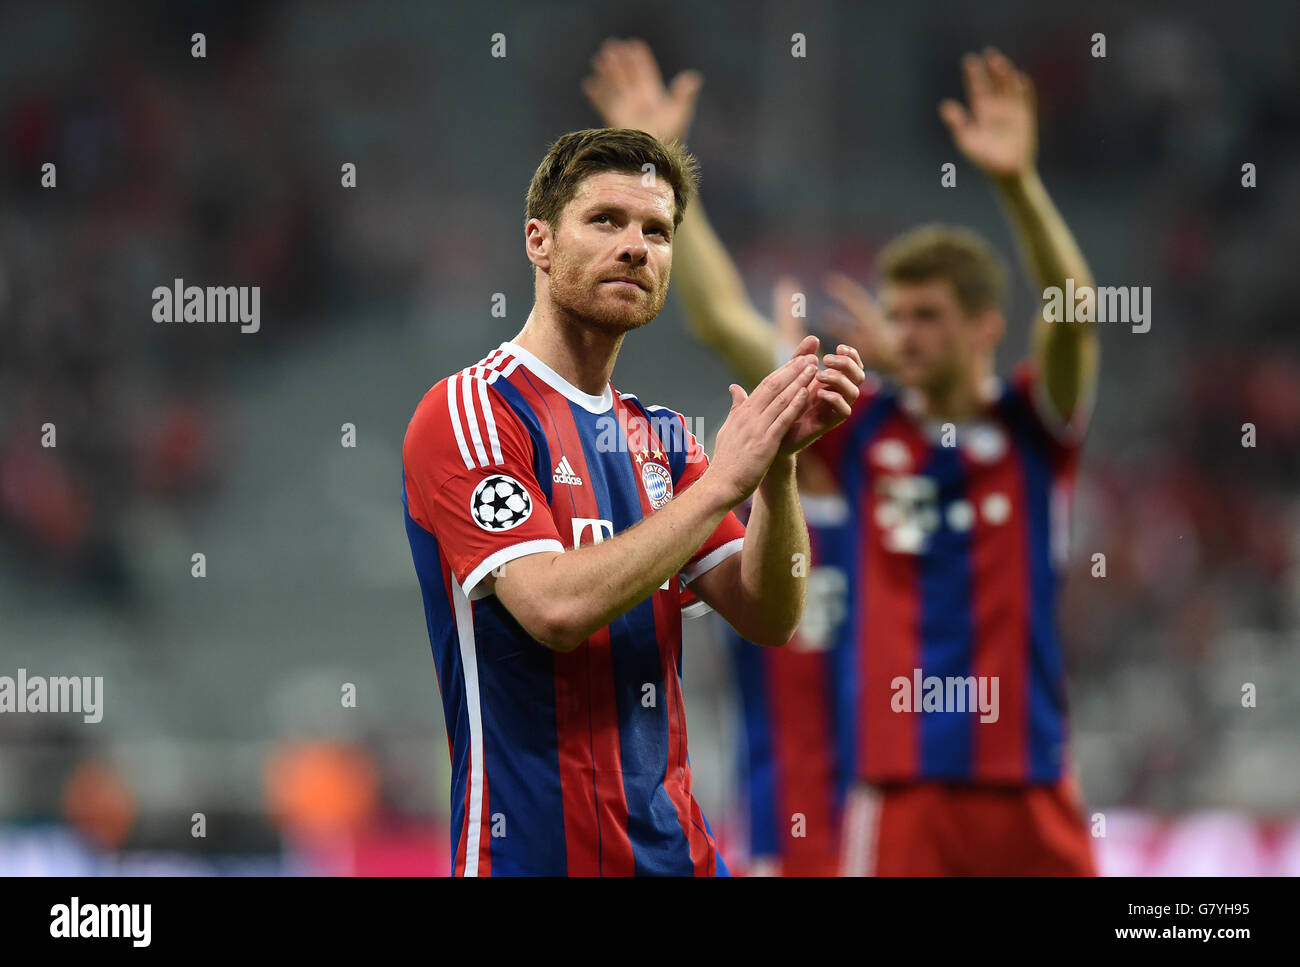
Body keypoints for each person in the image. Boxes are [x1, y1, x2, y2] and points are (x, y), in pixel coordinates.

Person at [584, 38, 1100, 875]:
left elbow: (1075, 315)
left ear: (984, 327)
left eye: (926, 315)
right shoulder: (867, 433)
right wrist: (664, 178)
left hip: (1030, 777)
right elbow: (725, 324)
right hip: (899, 787)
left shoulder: (1034, 431)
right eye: (897, 313)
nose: (902, 332)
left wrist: (1017, 183)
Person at [401, 126, 865, 875]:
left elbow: (771, 614)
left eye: (656, 230)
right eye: (606, 220)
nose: (635, 246)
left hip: (680, 857)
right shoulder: (471, 412)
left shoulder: (665, 438)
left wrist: (779, 471)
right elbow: (553, 610)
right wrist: (722, 483)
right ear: (539, 242)